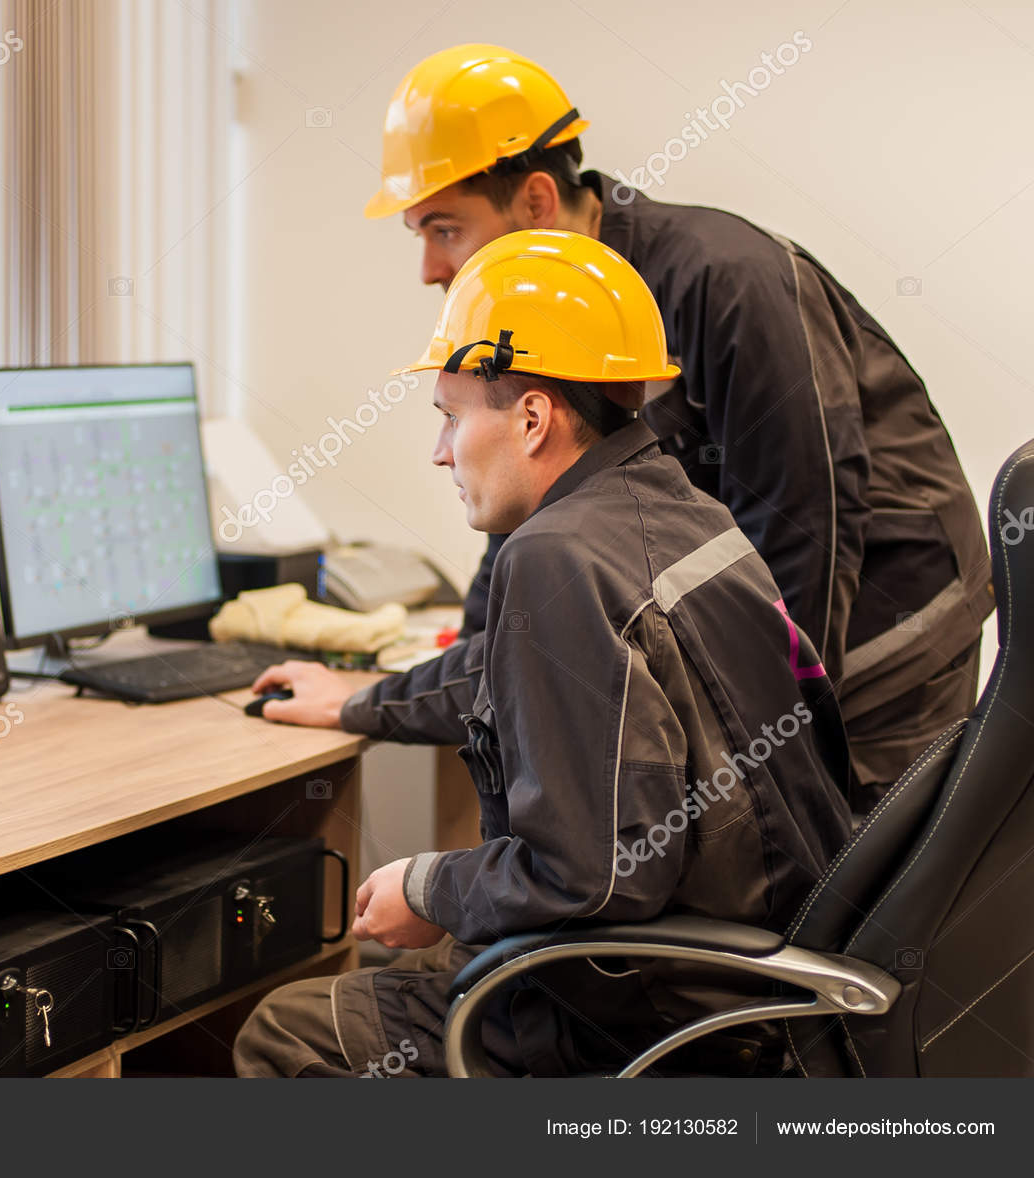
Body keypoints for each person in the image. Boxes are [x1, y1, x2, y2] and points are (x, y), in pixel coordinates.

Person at [256, 45, 990, 810]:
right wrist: (442, 673)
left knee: (840, 876)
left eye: (444, 229)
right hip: (784, 600)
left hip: (888, 602)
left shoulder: (723, 279)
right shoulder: (549, 308)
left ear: (537, 201)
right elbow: (531, 506)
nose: (431, 270)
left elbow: (807, 522)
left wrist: (777, 742)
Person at [233, 230, 853, 1078]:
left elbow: (594, 878)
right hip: (763, 979)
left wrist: (430, 886)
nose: (441, 452)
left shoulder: (554, 553)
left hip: (654, 1017)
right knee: (403, 978)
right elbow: (506, 668)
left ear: (532, 417)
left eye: (452, 418)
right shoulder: (678, 514)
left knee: (290, 1028)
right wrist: (357, 699)